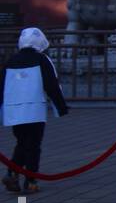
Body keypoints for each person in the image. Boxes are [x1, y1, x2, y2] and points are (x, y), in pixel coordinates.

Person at [1, 27, 69, 194]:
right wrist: (60, 107)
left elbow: (1, 86)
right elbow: (52, 85)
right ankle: (30, 180)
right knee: (34, 145)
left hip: (13, 110)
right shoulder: (42, 59)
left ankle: (13, 173)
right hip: (34, 108)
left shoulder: (11, 61)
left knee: (22, 142)